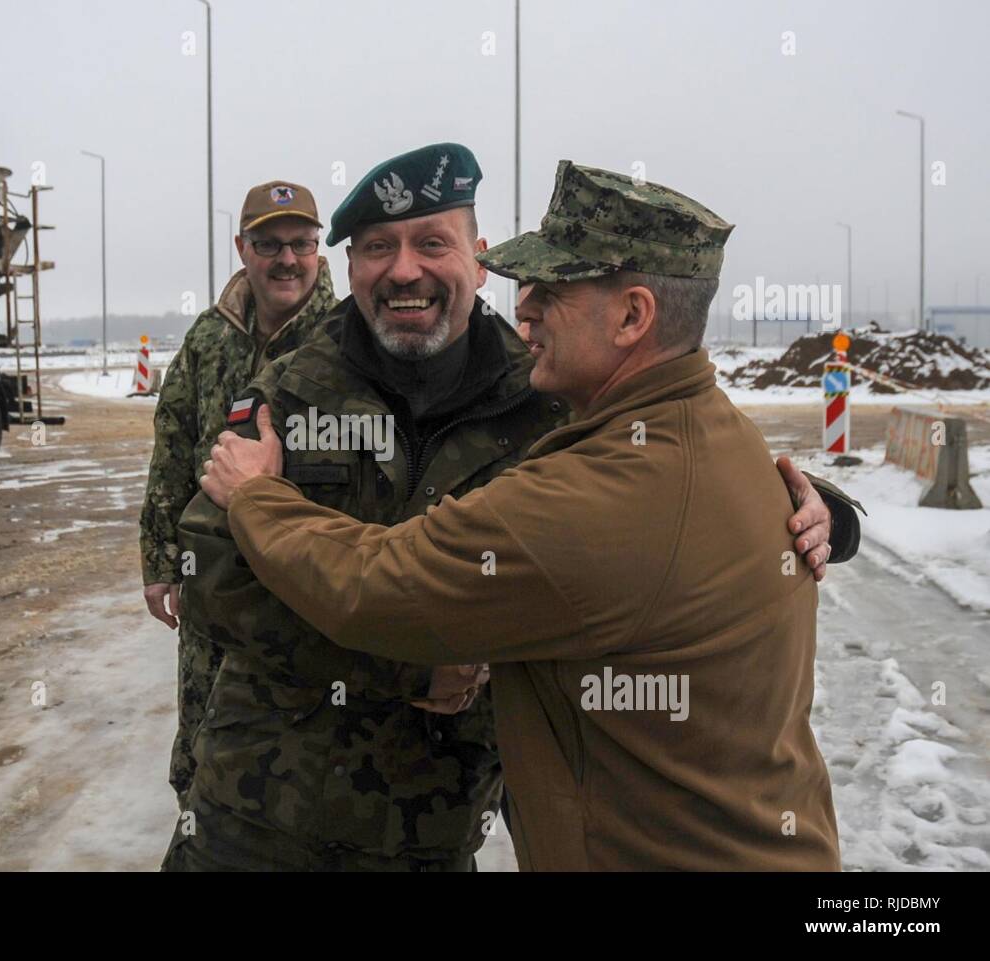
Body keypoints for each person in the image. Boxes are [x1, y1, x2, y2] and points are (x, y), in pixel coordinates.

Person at [165, 148, 858, 871]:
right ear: (351, 268)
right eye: (377, 248)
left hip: (433, 827)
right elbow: (211, 576)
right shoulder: (288, 392)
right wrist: (411, 671)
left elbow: (674, 465)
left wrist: (818, 511)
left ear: (479, 256)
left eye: (432, 243)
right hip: (259, 815)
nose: (404, 270)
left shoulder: (553, 389)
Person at [138, 180, 336, 806]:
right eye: (269, 243)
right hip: (210, 575)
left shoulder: (346, 341)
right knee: (202, 746)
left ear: (319, 250)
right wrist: (161, 560)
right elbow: (172, 448)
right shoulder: (207, 338)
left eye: (301, 244)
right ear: (242, 248)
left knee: (301, 754)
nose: (286, 259)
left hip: (304, 580)